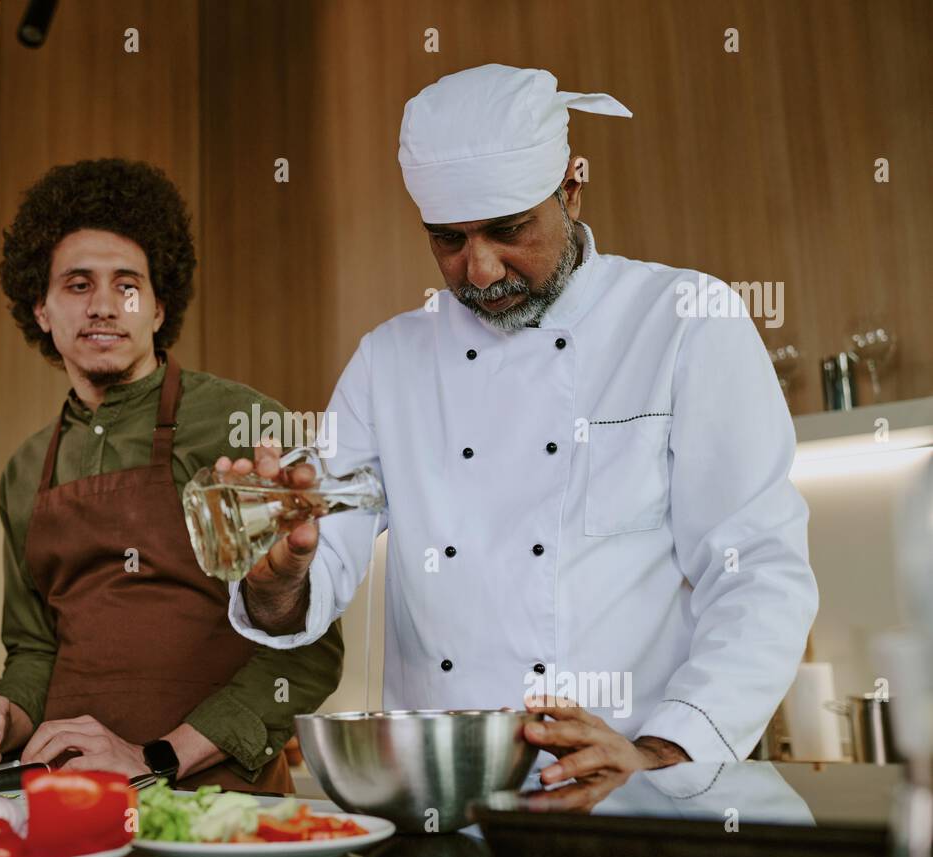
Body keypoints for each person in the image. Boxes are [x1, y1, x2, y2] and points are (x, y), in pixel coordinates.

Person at [222, 64, 819, 810]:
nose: (479, 268)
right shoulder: (390, 360)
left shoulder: (685, 319)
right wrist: (278, 573)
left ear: (571, 188)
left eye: (509, 231)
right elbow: (303, 591)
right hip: (447, 803)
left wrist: (662, 751)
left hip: (639, 798)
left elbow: (757, 568)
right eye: (447, 239)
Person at [0, 159, 343, 792]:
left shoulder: (243, 424)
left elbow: (309, 651)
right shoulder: (24, 469)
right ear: (40, 309)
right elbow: (36, 651)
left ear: (157, 307)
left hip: (220, 800)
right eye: (76, 285)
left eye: (127, 285)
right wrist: (1, 721)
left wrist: (157, 757)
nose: (102, 306)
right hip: (68, 796)